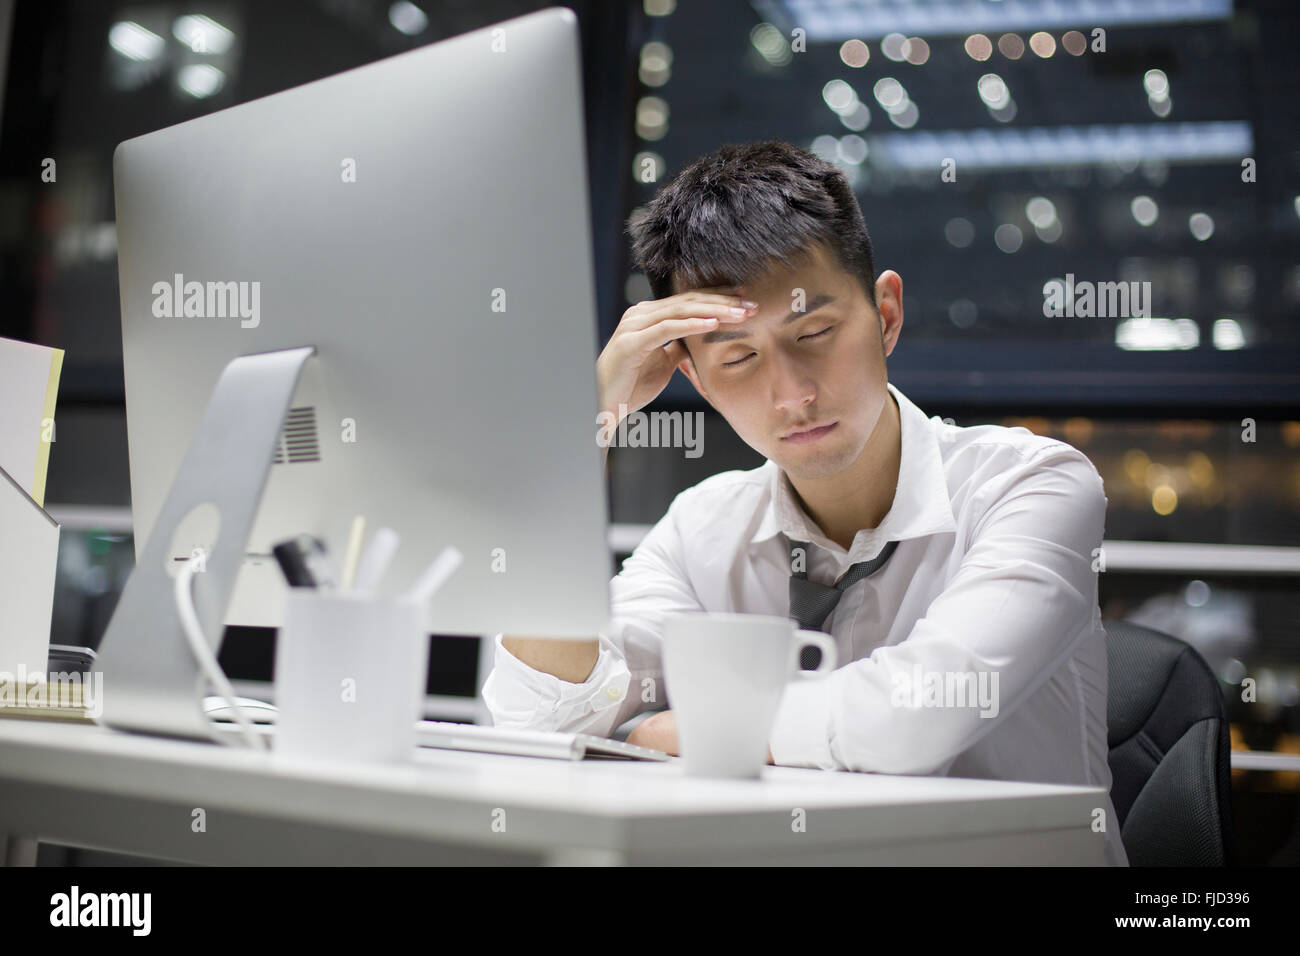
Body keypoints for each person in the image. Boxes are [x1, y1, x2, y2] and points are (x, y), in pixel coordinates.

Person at [483, 140, 1128, 866]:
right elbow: (538, 715)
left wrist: (689, 730)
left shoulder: (1031, 484)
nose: (792, 396)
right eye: (739, 358)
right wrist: (588, 421)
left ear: (885, 313)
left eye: (815, 333)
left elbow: (919, 715)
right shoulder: (702, 527)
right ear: (693, 375)